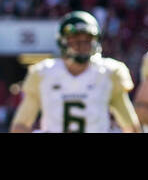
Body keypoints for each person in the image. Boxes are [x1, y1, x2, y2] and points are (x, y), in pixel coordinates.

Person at [10, 11, 139, 133]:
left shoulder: (109, 73)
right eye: (75, 40)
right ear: (63, 42)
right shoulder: (42, 73)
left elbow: (130, 126)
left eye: (86, 40)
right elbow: (20, 125)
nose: (81, 46)